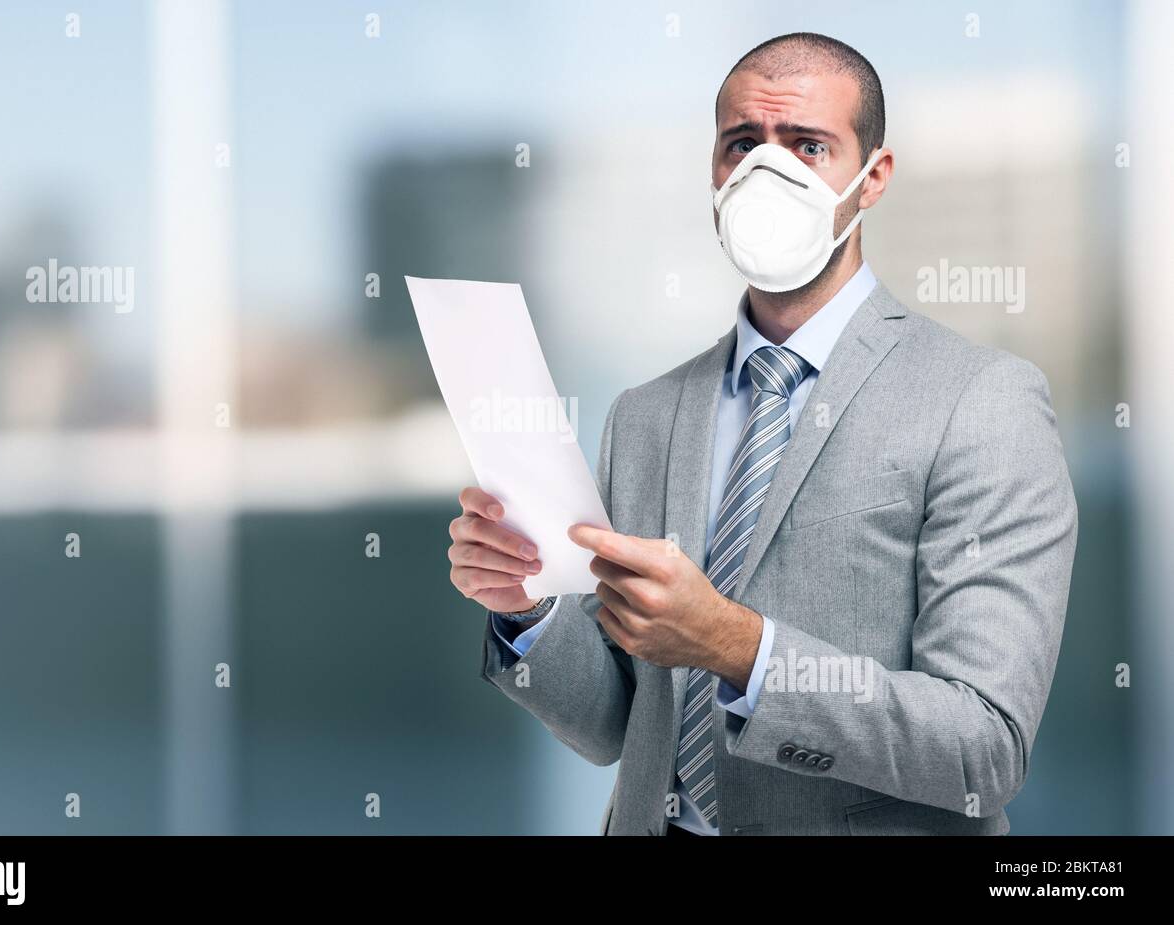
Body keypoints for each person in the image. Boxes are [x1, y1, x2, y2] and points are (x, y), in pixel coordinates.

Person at [446, 32, 1077, 836]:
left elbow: (982, 748)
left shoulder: (982, 401)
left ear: (873, 177)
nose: (765, 172)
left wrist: (740, 647)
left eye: (809, 145)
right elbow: (617, 725)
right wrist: (528, 607)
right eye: (742, 144)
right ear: (714, 170)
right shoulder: (644, 414)